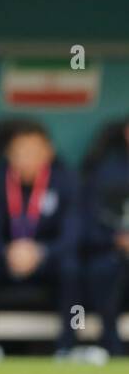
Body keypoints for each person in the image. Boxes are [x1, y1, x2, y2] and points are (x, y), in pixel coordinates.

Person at [0, 121, 81, 354]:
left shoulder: (67, 181)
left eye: (33, 151)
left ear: (48, 152)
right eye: (19, 152)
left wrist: (40, 252)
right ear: (8, 154)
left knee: (72, 268)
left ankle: (68, 346)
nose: (26, 158)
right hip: (5, 258)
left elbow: (72, 235)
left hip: (48, 259)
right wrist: (7, 252)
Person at [84, 118, 129, 355]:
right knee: (100, 268)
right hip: (112, 253)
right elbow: (88, 226)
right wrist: (117, 239)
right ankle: (109, 346)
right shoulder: (105, 172)